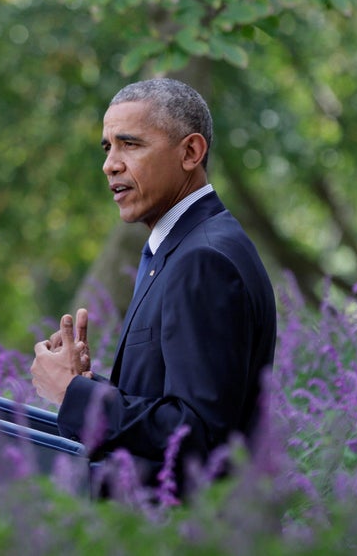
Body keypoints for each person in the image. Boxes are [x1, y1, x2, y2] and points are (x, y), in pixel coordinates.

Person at [30, 78, 277, 493]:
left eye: (130, 144)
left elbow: (197, 434)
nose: (110, 164)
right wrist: (88, 386)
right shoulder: (180, 249)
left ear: (190, 152)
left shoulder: (203, 259)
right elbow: (172, 407)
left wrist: (75, 396)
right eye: (107, 148)